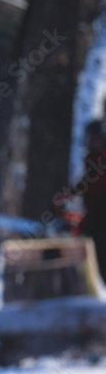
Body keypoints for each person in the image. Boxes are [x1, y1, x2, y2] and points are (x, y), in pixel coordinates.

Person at [79, 119, 106, 282]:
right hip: (94, 225)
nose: (91, 141)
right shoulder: (91, 161)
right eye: (90, 138)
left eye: (95, 138)